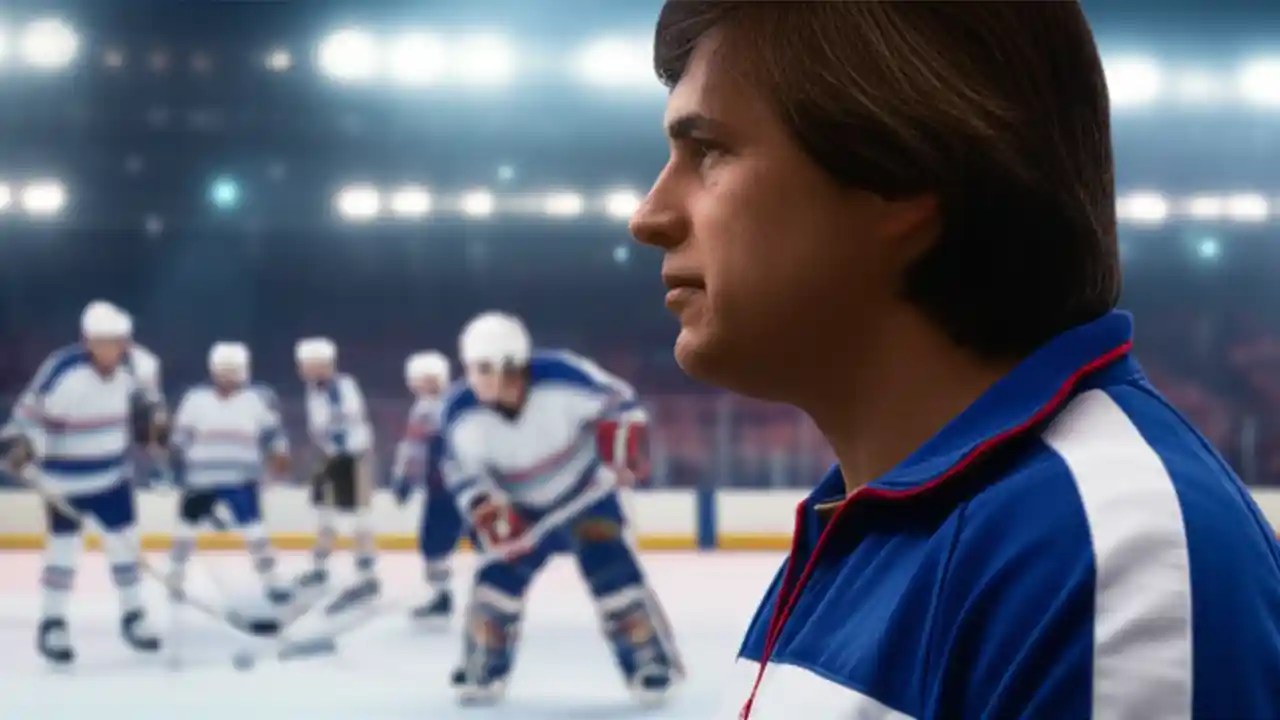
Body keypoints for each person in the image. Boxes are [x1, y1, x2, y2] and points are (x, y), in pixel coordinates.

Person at [630, 3, 1280, 718]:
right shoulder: (873, 529)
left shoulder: (1109, 558)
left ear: (900, 169)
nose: (649, 216)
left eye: (709, 151)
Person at [441, 311, 679, 705]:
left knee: (613, 573)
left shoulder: (564, 377)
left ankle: (648, 662)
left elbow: (621, 403)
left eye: (483, 368)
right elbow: (459, 472)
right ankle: (484, 664)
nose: (474, 378)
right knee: (496, 585)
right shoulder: (459, 413)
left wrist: (622, 445)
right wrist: (485, 508)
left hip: (587, 496)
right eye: (470, 367)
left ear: (510, 365)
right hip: (519, 507)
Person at [3, 301, 163, 664]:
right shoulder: (61, 369)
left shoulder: (139, 366)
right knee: (62, 553)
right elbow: (27, 417)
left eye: (119, 340)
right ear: (87, 340)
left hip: (112, 478)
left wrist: (154, 421)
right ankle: (53, 622)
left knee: (126, 550)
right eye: (104, 341)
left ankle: (134, 615)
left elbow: (149, 417)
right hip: (64, 482)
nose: (113, 348)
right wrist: (21, 443)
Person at [167, 342, 292, 607]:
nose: (229, 376)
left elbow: (272, 434)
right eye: (224, 370)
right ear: (213, 370)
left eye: (234, 370)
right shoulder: (195, 399)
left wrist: (280, 454)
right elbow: (180, 438)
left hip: (241, 478)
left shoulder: (257, 398)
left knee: (255, 532)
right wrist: (174, 461)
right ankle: (174, 578)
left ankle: (272, 582)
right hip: (200, 478)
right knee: (185, 531)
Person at [293, 336, 379, 601]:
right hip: (330, 457)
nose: (306, 370)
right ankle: (320, 568)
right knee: (325, 514)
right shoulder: (315, 390)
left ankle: (367, 576)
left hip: (350, 457)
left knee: (358, 516)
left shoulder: (339, 387)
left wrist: (334, 451)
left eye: (311, 365)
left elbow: (345, 420)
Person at [391, 350, 463, 624]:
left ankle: (445, 596)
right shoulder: (455, 401)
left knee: (434, 544)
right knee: (436, 544)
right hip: (449, 486)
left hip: (447, 487)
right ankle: (444, 595)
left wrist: (404, 480)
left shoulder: (431, 408)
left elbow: (415, 450)